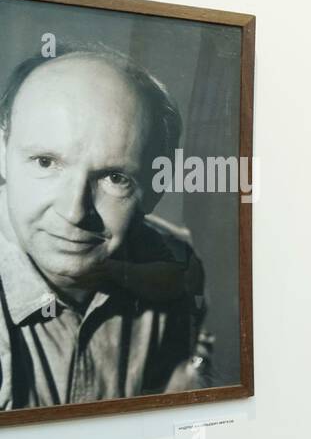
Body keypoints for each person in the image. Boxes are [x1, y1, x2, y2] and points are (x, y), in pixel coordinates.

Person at [0, 48, 210, 409]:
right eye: (46, 162)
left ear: (157, 188)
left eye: (116, 178)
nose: (74, 211)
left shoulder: (175, 264)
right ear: (1, 153)